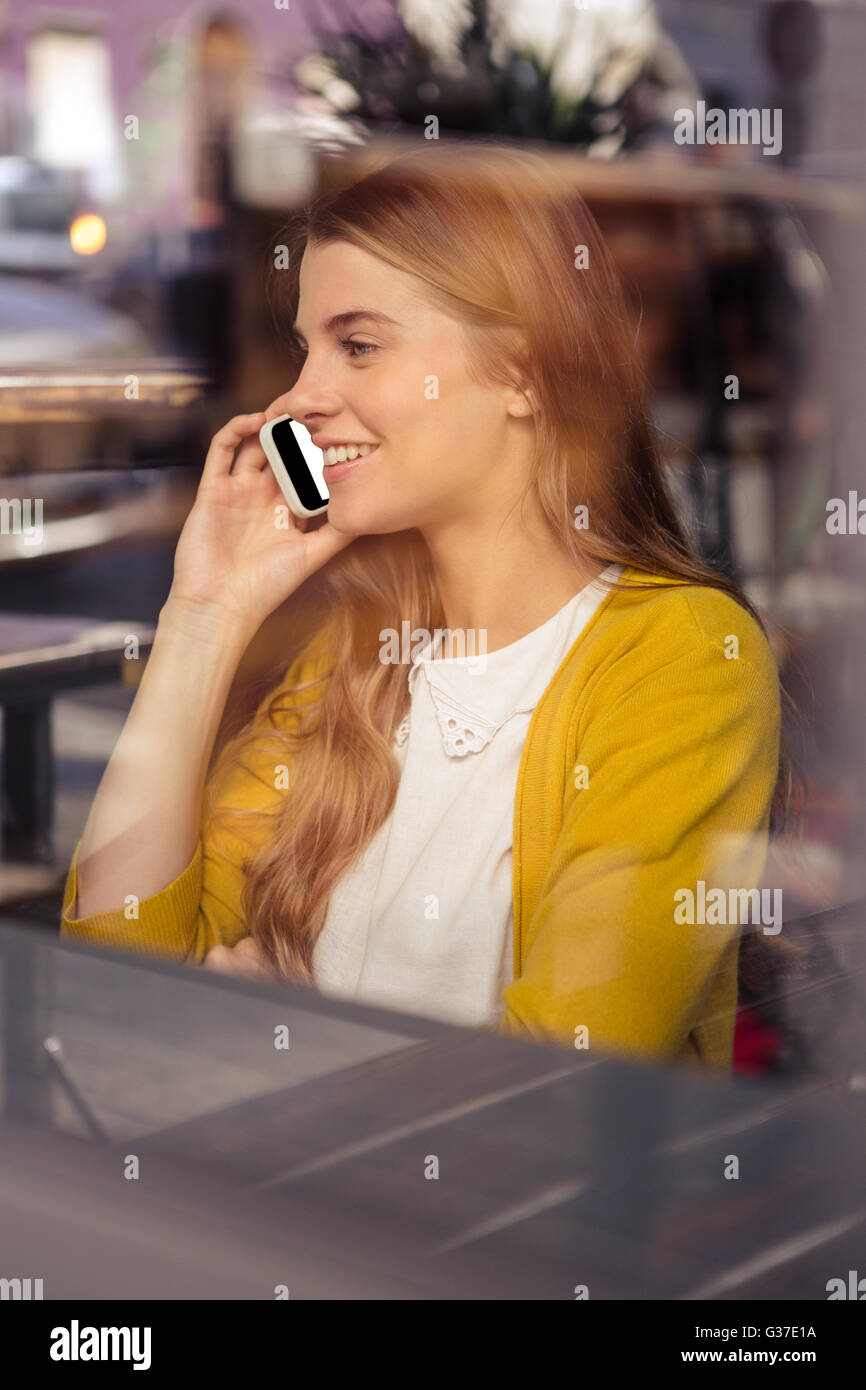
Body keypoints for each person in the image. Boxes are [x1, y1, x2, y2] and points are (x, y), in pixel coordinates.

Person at [60, 143, 790, 1072]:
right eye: (306, 349)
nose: (299, 399)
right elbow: (117, 992)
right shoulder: (358, 657)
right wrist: (204, 617)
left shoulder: (681, 659)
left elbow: (562, 1089)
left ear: (524, 373)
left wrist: (290, 1038)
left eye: (358, 346)